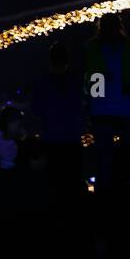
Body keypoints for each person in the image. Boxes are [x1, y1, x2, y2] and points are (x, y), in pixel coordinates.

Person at [83, 13, 130, 193]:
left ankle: (105, 194)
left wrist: (92, 109)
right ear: (120, 26)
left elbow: (94, 84)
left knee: (104, 159)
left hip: (102, 111)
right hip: (128, 109)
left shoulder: (93, 49)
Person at [31, 40, 84, 198]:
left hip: (51, 139)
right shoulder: (76, 81)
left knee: (54, 185)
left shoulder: (42, 82)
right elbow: (85, 104)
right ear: (67, 60)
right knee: (72, 184)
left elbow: (36, 109)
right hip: (72, 140)